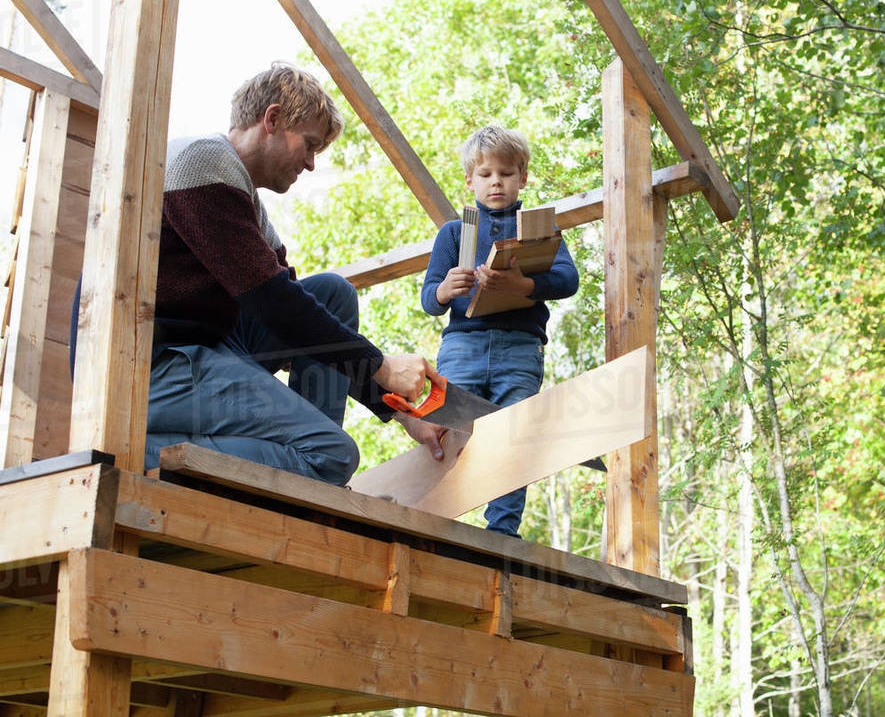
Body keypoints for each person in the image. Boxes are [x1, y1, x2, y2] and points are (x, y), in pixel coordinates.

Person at [72, 63, 445, 485]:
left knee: (329, 293)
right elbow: (273, 303)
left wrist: (399, 411)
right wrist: (381, 366)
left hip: (206, 347)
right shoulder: (201, 160)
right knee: (332, 455)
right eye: (309, 145)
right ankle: (136, 450)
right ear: (272, 120)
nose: (310, 164)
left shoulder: (246, 203)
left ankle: (309, 472)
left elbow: (299, 315)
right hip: (148, 364)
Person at [420, 126, 579, 536]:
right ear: (469, 180)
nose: (496, 182)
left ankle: (502, 531)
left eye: (506, 174)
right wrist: (444, 289)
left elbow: (567, 279)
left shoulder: (538, 228)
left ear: (522, 178)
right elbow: (427, 300)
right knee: (446, 426)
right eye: (486, 174)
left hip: (521, 348)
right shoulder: (455, 233)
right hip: (463, 345)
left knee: (515, 434)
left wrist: (523, 284)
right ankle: (434, 520)